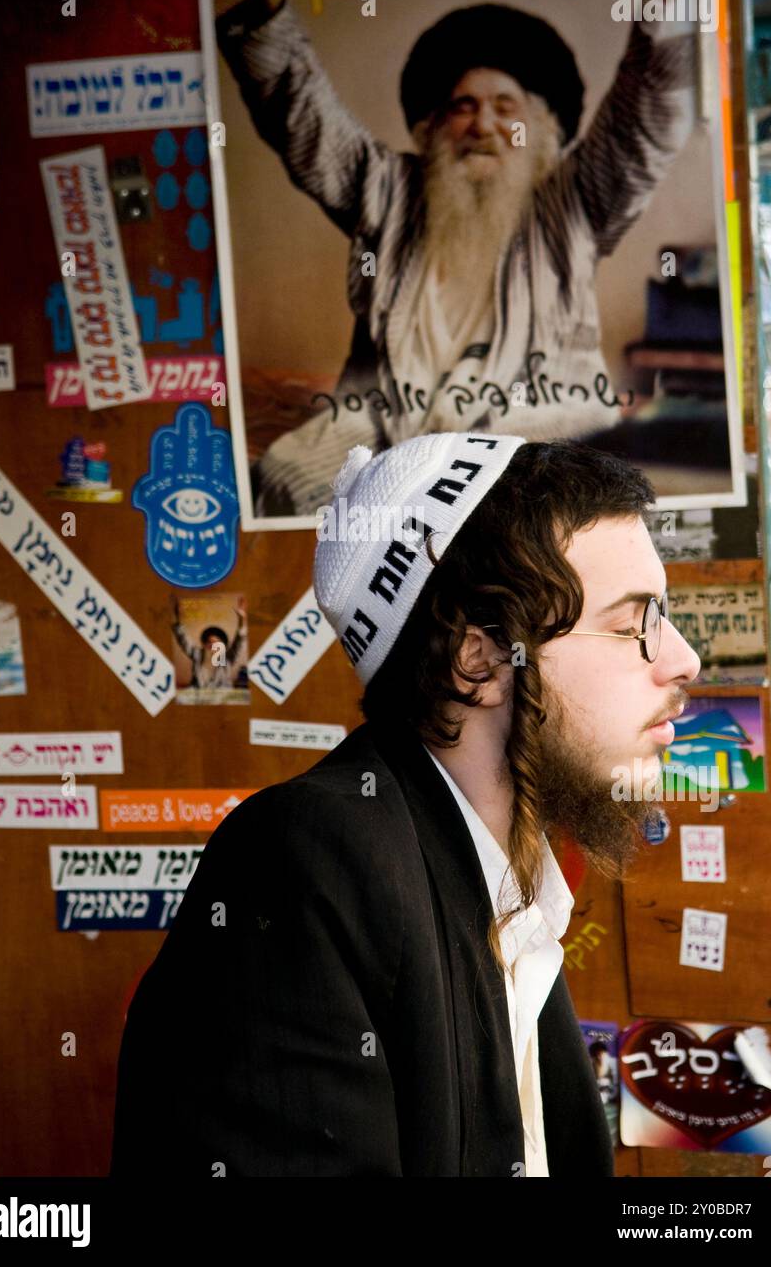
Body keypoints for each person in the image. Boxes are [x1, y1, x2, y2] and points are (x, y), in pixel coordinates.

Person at [110, 430, 701, 1176]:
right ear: (478, 658)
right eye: (630, 624)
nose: (683, 659)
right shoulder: (308, 858)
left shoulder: (509, 888)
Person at [217, 0, 699, 514]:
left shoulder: (575, 200)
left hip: (540, 426)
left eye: (507, 108)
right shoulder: (386, 191)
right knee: (286, 478)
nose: (483, 124)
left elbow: (650, 109)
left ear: (544, 133)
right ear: (430, 130)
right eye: (463, 107)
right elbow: (297, 108)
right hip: (391, 430)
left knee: (548, 503)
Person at [169, 594, 247, 690]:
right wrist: (178, 618)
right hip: (198, 694)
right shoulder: (197, 653)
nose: (213, 646)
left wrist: (241, 620)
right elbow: (183, 640)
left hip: (221, 697)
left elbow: (239, 642)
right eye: (210, 642)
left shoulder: (227, 658)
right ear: (205, 644)